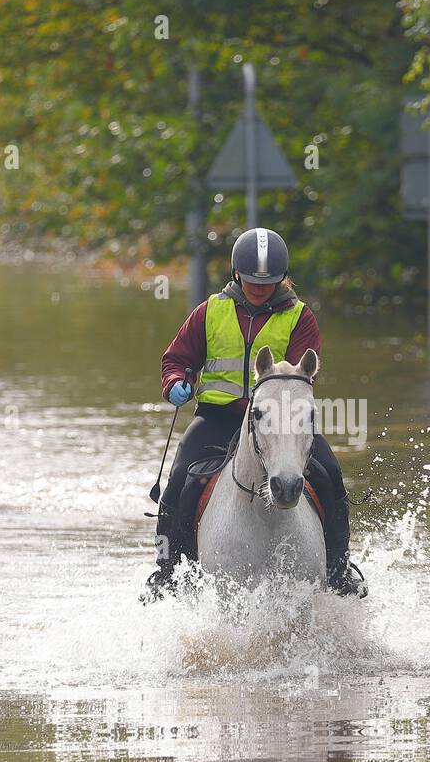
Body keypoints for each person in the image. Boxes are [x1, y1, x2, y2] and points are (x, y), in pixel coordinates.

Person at [143, 226, 367, 601]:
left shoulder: (299, 317)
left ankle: (340, 569)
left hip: (280, 422)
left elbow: (300, 375)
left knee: (330, 476)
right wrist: (175, 381)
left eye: (268, 282)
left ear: (281, 279)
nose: (259, 288)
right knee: (179, 481)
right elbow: (178, 358)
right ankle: (167, 572)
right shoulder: (210, 311)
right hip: (218, 417)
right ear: (236, 274)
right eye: (251, 281)